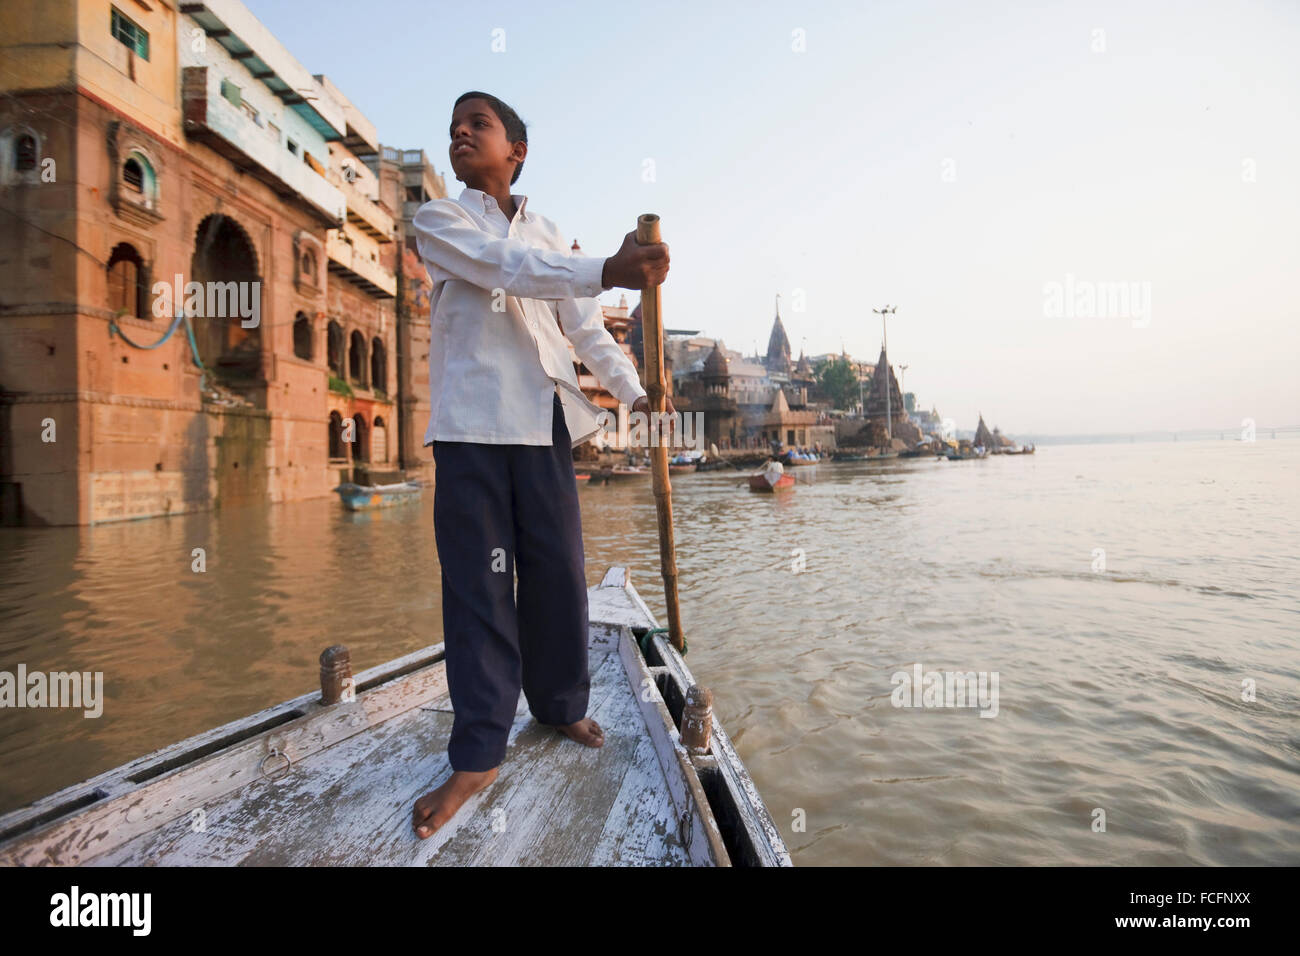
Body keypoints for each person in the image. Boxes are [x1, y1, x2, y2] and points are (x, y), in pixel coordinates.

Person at [408, 91, 673, 838]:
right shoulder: (441, 220)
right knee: (480, 589)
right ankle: (480, 752)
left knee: (557, 573)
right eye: (454, 125)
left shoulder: (553, 234)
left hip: (546, 423)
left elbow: (585, 331)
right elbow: (506, 266)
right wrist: (608, 268)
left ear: (515, 150)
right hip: (471, 427)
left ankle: (560, 707)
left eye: (478, 124)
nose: (460, 132)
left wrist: (637, 394)